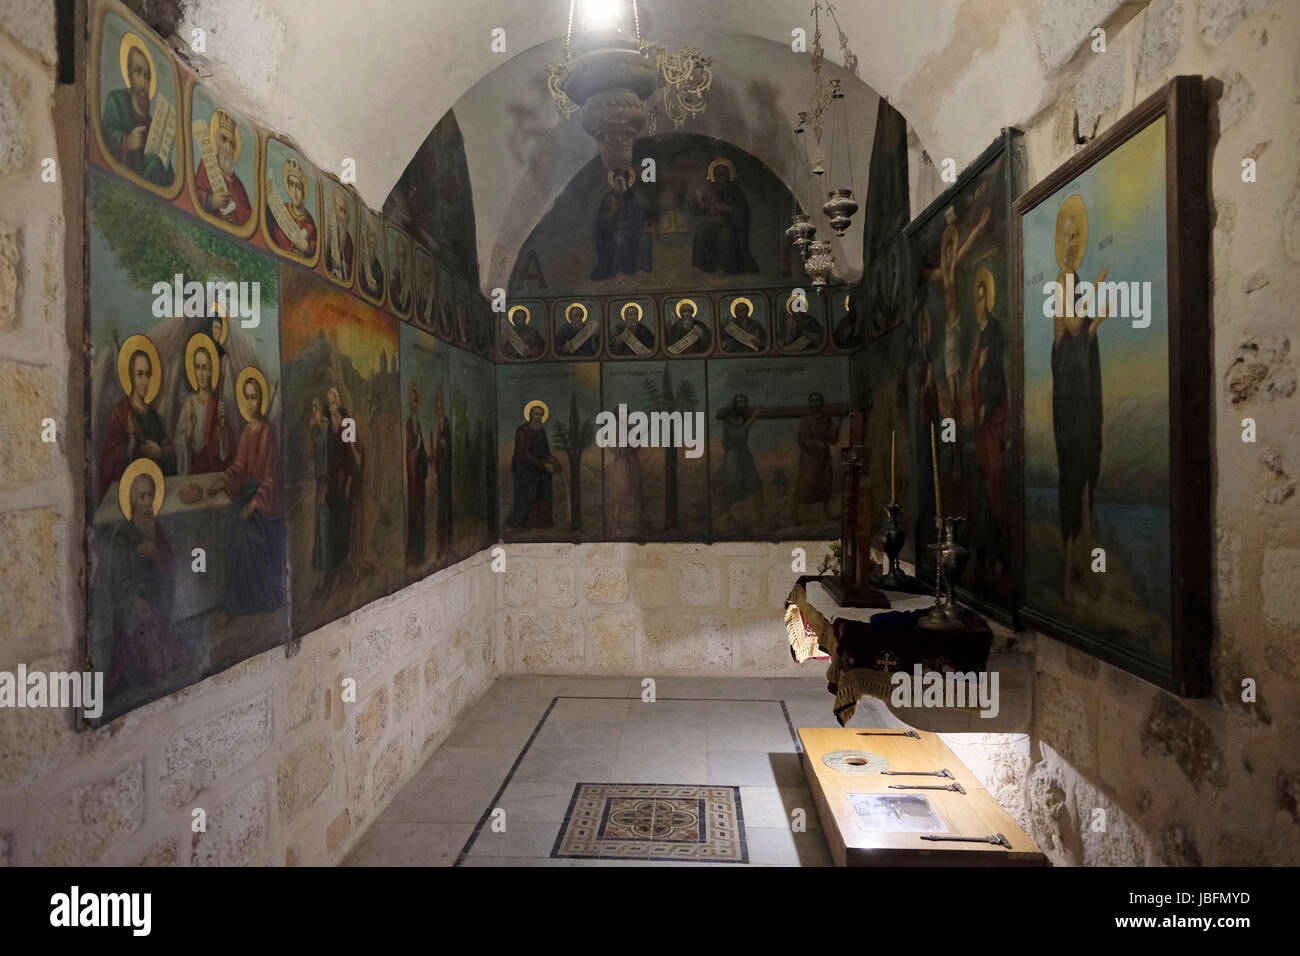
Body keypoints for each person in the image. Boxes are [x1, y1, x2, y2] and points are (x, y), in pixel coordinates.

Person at [1051, 195, 1109, 606]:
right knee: (1072, 479)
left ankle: (1088, 570)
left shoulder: (1079, 284)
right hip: (1068, 398)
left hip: (1086, 391)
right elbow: (1072, 325)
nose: (1073, 243)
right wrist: (1098, 294)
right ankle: (1069, 574)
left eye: (1078, 236)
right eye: (1067, 236)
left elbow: (1086, 335)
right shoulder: (1061, 282)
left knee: (1088, 476)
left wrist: (1097, 315)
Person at [207, 372, 284, 617]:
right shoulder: (246, 433)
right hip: (246, 494)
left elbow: (272, 478)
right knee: (231, 531)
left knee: (247, 539)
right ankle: (234, 599)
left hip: (264, 504)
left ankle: (249, 602)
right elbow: (239, 467)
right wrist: (222, 481)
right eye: (247, 397)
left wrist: (254, 504)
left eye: (255, 397)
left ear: (261, 401)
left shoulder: (267, 433)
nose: (251, 403)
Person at [923, 206, 991, 480]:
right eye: (948, 251)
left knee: (955, 394)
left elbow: (970, 242)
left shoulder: (954, 267)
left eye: (953, 251)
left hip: (958, 332)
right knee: (951, 398)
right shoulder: (943, 274)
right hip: (951, 335)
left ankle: (958, 456)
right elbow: (927, 277)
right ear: (944, 253)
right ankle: (955, 457)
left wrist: (981, 225)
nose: (952, 255)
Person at [107, 469, 179, 696]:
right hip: (135, 610)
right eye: (141, 497)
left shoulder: (155, 529)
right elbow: (118, 584)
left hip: (155, 604)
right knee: (153, 671)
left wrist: (156, 554)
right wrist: (137, 603)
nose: (148, 503)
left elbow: (171, 564)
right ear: (132, 502)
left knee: (166, 664)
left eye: (150, 495)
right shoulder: (123, 536)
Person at [99, 346, 176, 502]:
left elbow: (168, 447)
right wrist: (131, 446)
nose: (145, 381)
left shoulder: (153, 413)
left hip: (155, 489)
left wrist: (160, 452)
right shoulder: (120, 413)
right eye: (140, 374)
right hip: (132, 493)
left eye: (148, 375)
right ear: (131, 377)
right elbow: (109, 463)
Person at [100, 37, 173, 185]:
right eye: (137, 72)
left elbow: (167, 173)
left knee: (155, 162)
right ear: (129, 75)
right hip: (120, 182)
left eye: (147, 77)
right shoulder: (117, 101)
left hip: (146, 187)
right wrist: (126, 142)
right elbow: (105, 134)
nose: (143, 83)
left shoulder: (152, 123)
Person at [174, 338, 233, 475]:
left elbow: (225, 452)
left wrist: (222, 426)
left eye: (205, 368)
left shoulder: (217, 403)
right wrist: (188, 429)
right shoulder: (189, 403)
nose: (200, 374)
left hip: (213, 469)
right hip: (193, 469)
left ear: (211, 371)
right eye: (198, 367)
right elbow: (178, 444)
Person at [691, 158, 758, 274]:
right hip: (712, 222)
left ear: (729, 175)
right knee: (700, 231)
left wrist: (728, 209)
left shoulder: (735, 191)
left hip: (730, 224)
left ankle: (723, 268)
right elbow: (702, 209)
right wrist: (696, 202)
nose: (719, 177)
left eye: (722, 174)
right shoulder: (710, 191)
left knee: (725, 235)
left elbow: (743, 212)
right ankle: (699, 266)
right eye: (717, 174)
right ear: (713, 176)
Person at [506, 403, 559, 529]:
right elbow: (522, 454)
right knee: (527, 495)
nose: (538, 417)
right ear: (530, 415)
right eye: (536, 414)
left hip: (540, 469)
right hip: (525, 470)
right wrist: (543, 465)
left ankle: (541, 523)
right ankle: (520, 523)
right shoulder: (522, 431)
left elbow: (545, 452)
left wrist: (553, 461)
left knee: (544, 492)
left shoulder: (541, 431)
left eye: (541, 415)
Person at [716, 395, 765, 530]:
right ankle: (725, 515)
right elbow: (737, 435)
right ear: (735, 405)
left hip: (744, 454)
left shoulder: (741, 417)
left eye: (745, 402)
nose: (742, 404)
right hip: (733, 455)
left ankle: (760, 520)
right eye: (739, 402)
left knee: (757, 485)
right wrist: (754, 417)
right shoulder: (729, 419)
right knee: (731, 484)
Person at [195, 108, 251, 225]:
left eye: (232, 144)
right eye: (224, 139)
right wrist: (211, 201)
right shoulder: (207, 167)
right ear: (216, 142)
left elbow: (248, 217)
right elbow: (195, 193)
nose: (228, 148)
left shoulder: (238, 184)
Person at [591, 167, 648, 280]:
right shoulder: (609, 199)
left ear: (627, 181)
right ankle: (618, 270)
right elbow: (601, 222)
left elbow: (638, 216)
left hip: (631, 230)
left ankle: (641, 268)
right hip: (612, 233)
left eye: (621, 181)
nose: (619, 184)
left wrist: (635, 225)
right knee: (618, 238)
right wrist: (613, 212)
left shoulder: (632, 198)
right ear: (613, 183)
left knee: (645, 239)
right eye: (617, 181)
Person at [793, 392, 838, 524]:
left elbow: (832, 440)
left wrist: (835, 430)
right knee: (805, 485)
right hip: (810, 458)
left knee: (825, 483)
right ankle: (794, 512)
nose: (814, 403)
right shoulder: (806, 420)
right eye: (812, 401)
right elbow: (802, 439)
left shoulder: (826, 418)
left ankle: (825, 511)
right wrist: (815, 443)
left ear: (821, 403)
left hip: (824, 457)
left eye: (817, 400)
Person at [266, 156, 317, 257]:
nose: (294, 191)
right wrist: (267, 200)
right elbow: (270, 229)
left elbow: (316, 249)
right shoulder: (282, 209)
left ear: (304, 191)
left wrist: (307, 247)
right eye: (291, 184)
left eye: (298, 186)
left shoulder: (310, 222)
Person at [404, 384, 430, 567]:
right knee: (414, 511)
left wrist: (426, 456)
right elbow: (410, 450)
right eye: (410, 401)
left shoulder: (418, 424)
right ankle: (413, 552)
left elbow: (421, 450)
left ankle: (420, 552)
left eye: (415, 401)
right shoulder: (408, 424)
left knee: (421, 510)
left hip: (419, 475)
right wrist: (416, 453)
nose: (412, 405)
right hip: (413, 476)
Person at [434, 392, 453, 558]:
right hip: (440, 469)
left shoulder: (445, 422)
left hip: (446, 469)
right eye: (437, 406)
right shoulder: (438, 422)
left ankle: (447, 535)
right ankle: (441, 536)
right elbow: (437, 448)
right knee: (441, 501)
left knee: (445, 501)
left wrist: (444, 446)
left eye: (440, 406)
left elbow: (447, 445)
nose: (438, 408)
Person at [324, 189, 355, 283]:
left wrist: (341, 265)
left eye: (345, 212)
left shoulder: (348, 239)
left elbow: (350, 265)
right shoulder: (328, 232)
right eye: (340, 210)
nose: (343, 216)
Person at [359, 219, 385, 299]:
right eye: (371, 235)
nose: (373, 240)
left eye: (375, 237)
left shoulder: (377, 265)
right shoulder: (360, 259)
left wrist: (376, 288)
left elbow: (381, 286)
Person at [389, 239, 412, 313]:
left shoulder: (406, 275)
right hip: (397, 305)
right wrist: (398, 297)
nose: (401, 259)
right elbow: (393, 288)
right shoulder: (395, 272)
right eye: (400, 255)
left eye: (402, 256)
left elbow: (409, 294)